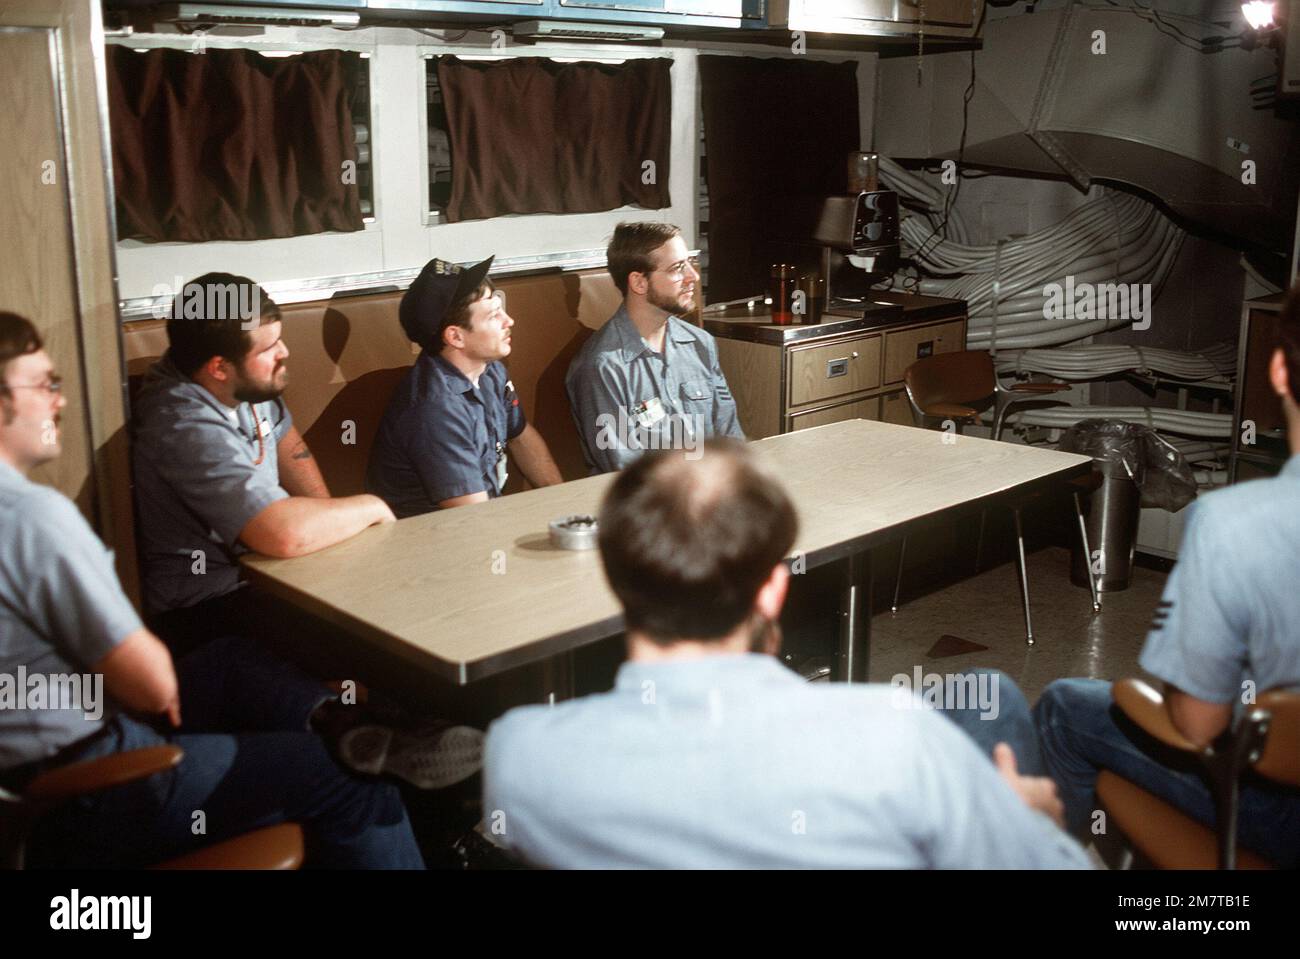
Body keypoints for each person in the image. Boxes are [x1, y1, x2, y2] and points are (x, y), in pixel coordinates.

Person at [484, 438, 1091, 868]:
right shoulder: (897, 740)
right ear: (774, 587)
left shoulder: (520, 757)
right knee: (994, 698)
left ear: (614, 580)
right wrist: (1026, 819)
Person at [0, 311, 424, 868]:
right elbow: (151, 687)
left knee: (230, 663)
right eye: (45, 385)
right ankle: (367, 735)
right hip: (80, 785)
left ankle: (350, 722)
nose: (60, 401)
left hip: (40, 771)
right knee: (350, 781)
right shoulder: (33, 518)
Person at [1035, 287, 1300, 869]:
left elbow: (1196, 722)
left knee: (1063, 706)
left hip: (1278, 813)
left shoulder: (1235, 524)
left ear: (1278, 371)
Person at [132, 273, 397, 651]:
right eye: (269, 348)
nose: (284, 352)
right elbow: (281, 535)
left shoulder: (240, 380)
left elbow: (289, 448)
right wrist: (371, 505)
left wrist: (328, 528)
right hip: (208, 606)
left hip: (268, 576)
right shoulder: (184, 426)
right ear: (219, 367)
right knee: (373, 638)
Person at [367, 256, 562, 517]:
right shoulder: (436, 410)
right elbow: (474, 520)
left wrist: (562, 506)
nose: (509, 321)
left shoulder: (490, 369)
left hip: (480, 523)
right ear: (456, 336)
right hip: (436, 543)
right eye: (494, 315)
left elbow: (521, 436)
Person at [566, 222, 744, 475]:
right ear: (639, 283)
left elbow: (730, 438)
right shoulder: (603, 366)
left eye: (690, 264)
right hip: (652, 507)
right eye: (677, 268)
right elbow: (624, 471)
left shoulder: (701, 344)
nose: (693, 277)